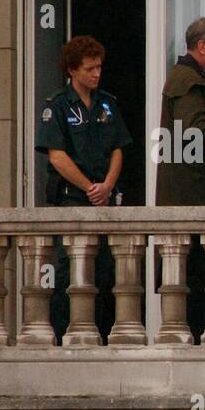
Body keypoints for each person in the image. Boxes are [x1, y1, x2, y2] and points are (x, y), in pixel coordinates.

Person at [35, 35, 132, 343]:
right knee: (70, 270)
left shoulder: (107, 103)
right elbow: (57, 155)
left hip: (104, 198)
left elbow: (119, 147)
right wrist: (90, 187)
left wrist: (108, 186)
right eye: (90, 68)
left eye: (99, 67)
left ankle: (100, 334)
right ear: (72, 70)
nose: (96, 73)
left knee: (105, 269)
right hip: (72, 199)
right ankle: (65, 334)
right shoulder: (58, 106)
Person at [155, 17, 205, 342]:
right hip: (194, 198)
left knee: (199, 284)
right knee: (195, 285)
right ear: (202, 46)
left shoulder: (194, 79)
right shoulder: (188, 82)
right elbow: (191, 134)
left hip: (198, 195)